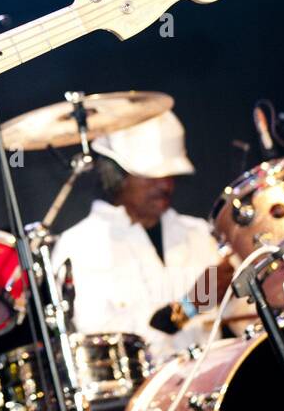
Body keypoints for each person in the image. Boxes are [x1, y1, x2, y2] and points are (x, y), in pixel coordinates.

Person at [50, 110, 249, 363]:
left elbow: (243, 318)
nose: (165, 185)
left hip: (218, 381)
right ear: (115, 173)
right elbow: (104, 345)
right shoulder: (78, 247)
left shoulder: (198, 232)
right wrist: (187, 308)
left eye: (169, 175)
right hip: (145, 396)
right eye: (152, 176)